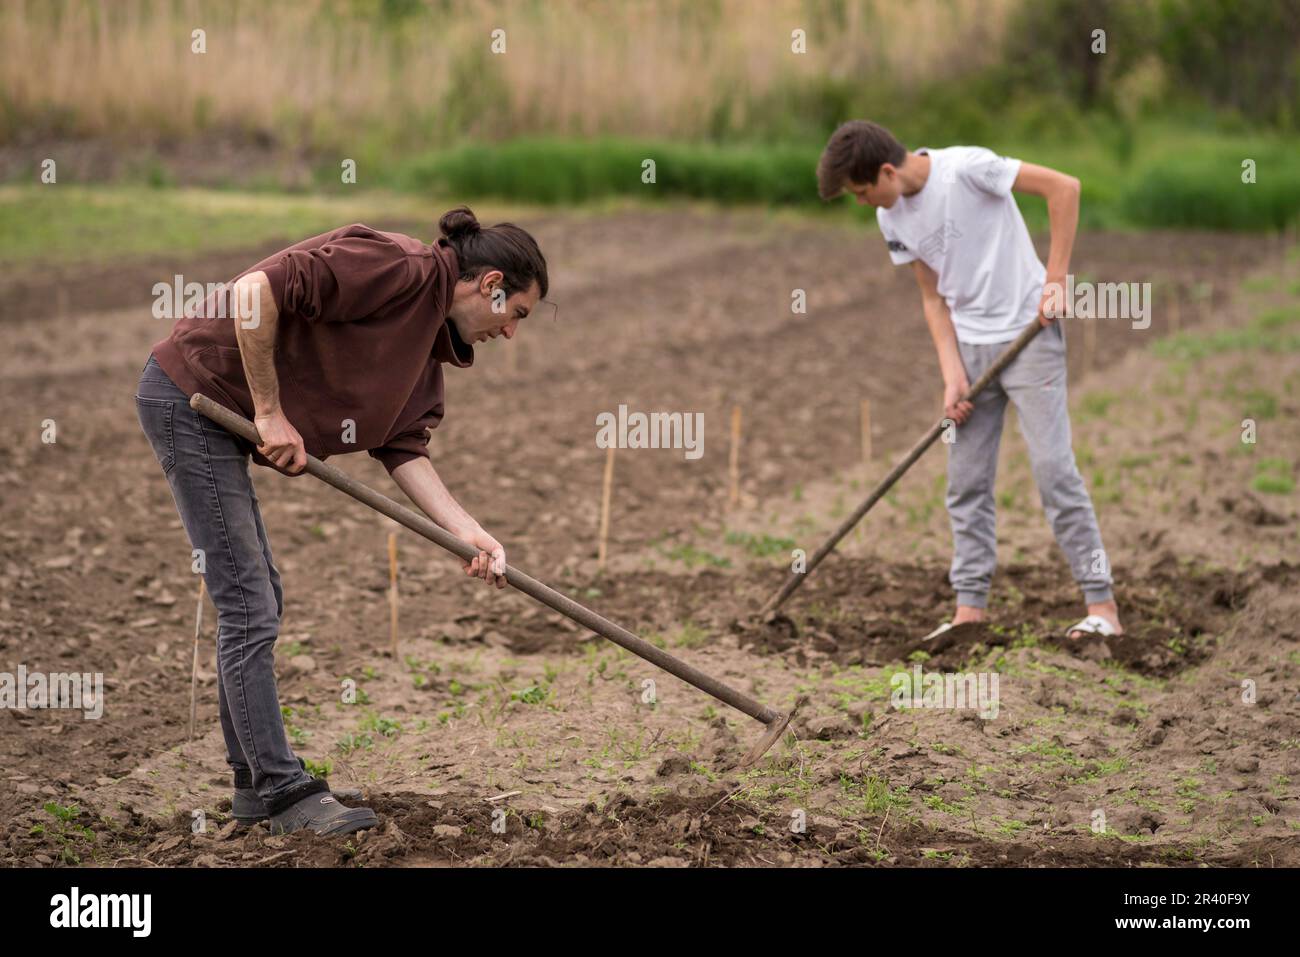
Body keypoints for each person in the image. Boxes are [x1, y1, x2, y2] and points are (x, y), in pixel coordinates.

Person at [135, 207, 547, 834]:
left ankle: (252, 784)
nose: (511, 333)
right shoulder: (397, 267)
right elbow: (254, 292)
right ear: (491, 285)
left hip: (220, 411)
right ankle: (280, 791)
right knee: (249, 600)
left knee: (258, 595)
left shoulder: (424, 349)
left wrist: (465, 529)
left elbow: (403, 447)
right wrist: (270, 413)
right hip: (193, 398)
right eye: (516, 313)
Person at [817, 120, 1122, 642]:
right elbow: (932, 297)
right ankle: (969, 614)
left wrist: (1056, 281)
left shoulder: (969, 169)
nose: (865, 203)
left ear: (887, 170)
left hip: (1030, 337)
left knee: (1054, 473)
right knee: (966, 484)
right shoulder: (892, 218)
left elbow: (1064, 187)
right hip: (970, 352)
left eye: (864, 191)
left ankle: (1103, 610)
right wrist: (951, 372)